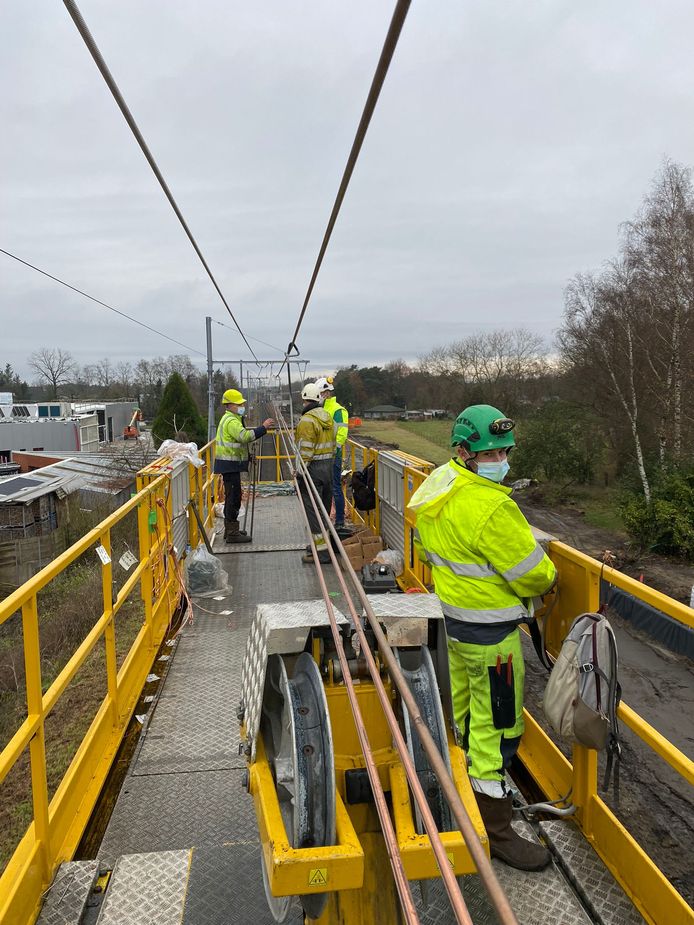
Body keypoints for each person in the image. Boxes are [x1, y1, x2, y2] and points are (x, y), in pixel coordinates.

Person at [407, 404, 556, 871]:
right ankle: (496, 832)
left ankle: (467, 791)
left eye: (505, 451)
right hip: (494, 641)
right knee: (500, 727)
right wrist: (543, 567)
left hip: (455, 626)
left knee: (470, 715)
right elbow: (537, 576)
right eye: (497, 453)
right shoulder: (493, 506)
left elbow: (438, 553)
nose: (503, 460)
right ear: (468, 453)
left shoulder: (437, 486)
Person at [213, 388, 273, 544]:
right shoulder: (231, 421)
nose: (242, 406)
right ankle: (232, 534)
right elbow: (244, 437)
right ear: (230, 404)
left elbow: (237, 443)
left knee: (233, 497)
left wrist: (246, 458)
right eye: (239, 403)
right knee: (233, 499)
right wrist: (263, 428)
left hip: (230, 465)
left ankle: (230, 530)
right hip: (229, 465)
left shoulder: (230, 419)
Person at [295, 382, 336, 564]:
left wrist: (299, 472)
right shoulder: (327, 417)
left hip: (312, 470)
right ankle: (323, 546)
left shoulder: (307, 421)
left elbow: (305, 450)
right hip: (328, 468)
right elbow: (334, 444)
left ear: (305, 399)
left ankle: (322, 553)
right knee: (324, 510)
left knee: (313, 511)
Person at [316, 376, 349, 531]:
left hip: (332, 455)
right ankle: (325, 519)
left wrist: (333, 450)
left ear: (327, 393)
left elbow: (342, 434)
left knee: (335, 488)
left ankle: (340, 522)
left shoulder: (338, 410)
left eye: (321, 393)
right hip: (322, 455)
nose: (319, 396)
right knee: (326, 488)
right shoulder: (322, 409)